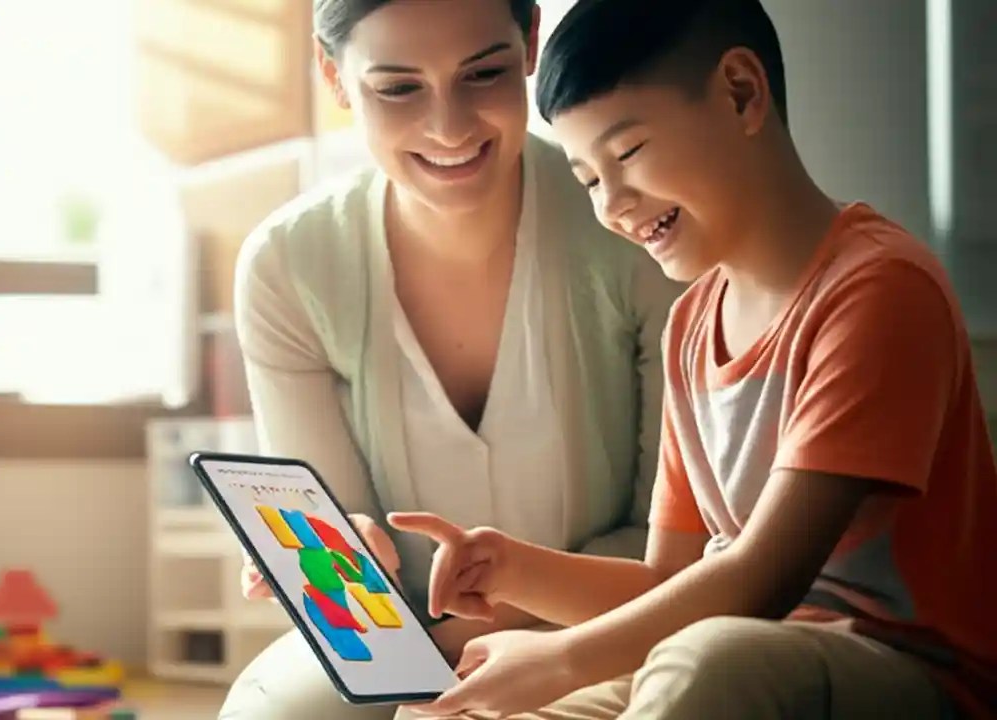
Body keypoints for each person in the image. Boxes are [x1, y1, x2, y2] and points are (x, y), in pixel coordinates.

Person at [388, 0, 997, 718]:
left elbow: (759, 581)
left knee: (706, 660)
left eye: (629, 153)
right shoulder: (689, 326)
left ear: (742, 93)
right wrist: (516, 571)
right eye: (588, 179)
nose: (613, 203)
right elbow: (668, 584)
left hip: (905, 673)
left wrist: (559, 657)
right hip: (729, 657)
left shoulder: (878, 289)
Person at [222, 1, 683, 718]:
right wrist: (334, 558)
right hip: (400, 643)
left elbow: (681, 543)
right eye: (399, 88)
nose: (450, 127)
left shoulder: (635, 224)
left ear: (531, 41)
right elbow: (335, 542)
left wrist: (497, 626)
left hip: (616, 623)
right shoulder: (289, 266)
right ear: (332, 74)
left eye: (484, 73)